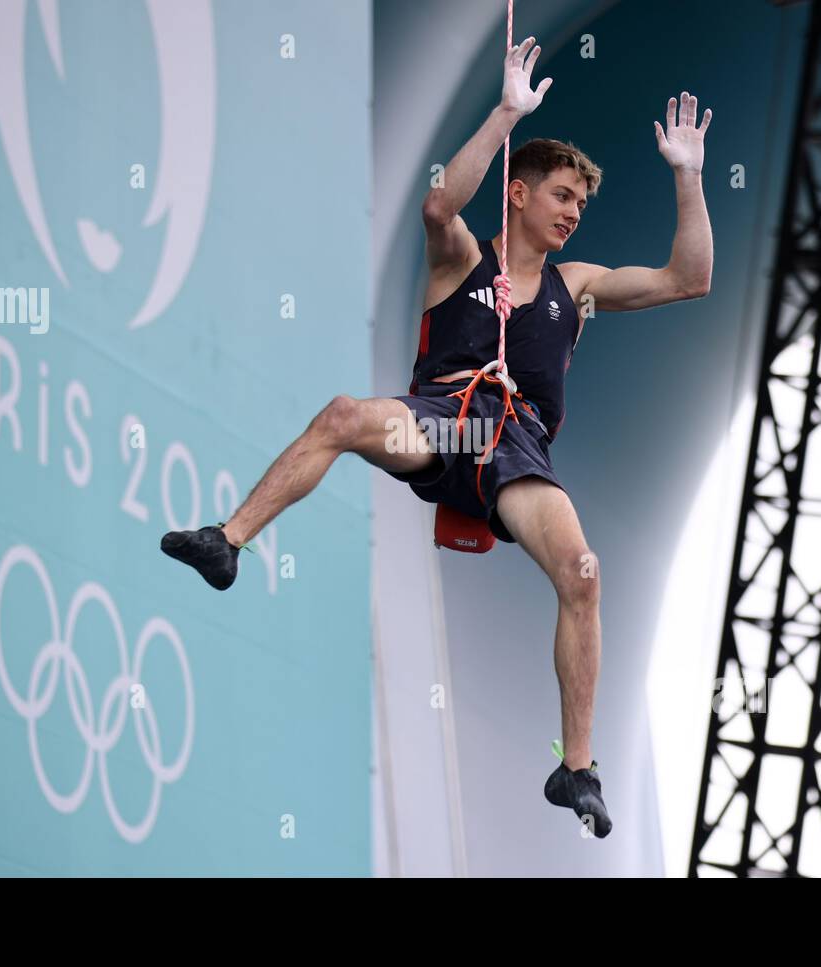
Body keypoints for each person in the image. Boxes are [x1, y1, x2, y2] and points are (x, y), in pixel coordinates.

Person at [162, 36, 713, 839]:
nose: (572, 212)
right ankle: (227, 541)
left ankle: (578, 765)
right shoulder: (462, 256)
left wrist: (689, 178)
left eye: (581, 206)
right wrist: (505, 114)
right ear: (517, 194)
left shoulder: (578, 287)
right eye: (561, 195)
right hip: (445, 424)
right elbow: (437, 206)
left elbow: (687, 278)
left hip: (515, 451)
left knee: (583, 572)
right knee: (345, 414)